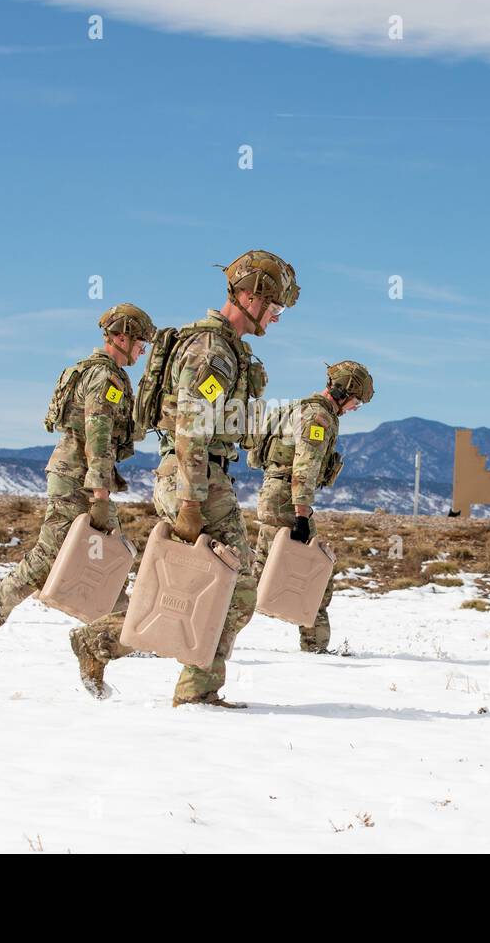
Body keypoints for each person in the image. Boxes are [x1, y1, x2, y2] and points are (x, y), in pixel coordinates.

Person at [69, 250, 297, 706]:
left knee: (195, 587)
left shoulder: (223, 349)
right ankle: (195, 691)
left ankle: (104, 642)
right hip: (196, 480)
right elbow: (192, 427)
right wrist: (192, 503)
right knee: (239, 588)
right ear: (250, 296)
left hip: (198, 477)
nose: (275, 319)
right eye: (274, 309)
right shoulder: (211, 352)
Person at [0, 304, 155, 651]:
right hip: (80, 480)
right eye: (140, 341)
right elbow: (98, 433)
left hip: (76, 476)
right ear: (121, 336)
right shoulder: (104, 377)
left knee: (104, 553)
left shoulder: (93, 372)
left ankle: (124, 633)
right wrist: (100, 491)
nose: (143, 349)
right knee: (54, 558)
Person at [249, 361, 372, 652]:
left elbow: (263, 458)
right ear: (344, 393)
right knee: (314, 574)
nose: (356, 408)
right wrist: (302, 516)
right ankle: (315, 648)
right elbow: (304, 468)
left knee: (261, 573)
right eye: (356, 401)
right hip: (288, 501)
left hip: (276, 495)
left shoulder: (296, 408)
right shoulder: (317, 417)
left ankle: (214, 629)